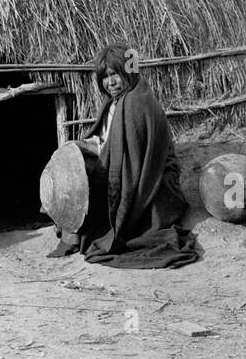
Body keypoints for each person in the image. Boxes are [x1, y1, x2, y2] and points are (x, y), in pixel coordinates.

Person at [48, 43, 199, 269]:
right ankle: (73, 234)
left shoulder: (137, 103)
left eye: (116, 75)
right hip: (131, 168)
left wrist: (96, 156)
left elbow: (134, 155)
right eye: (105, 77)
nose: (111, 82)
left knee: (86, 183)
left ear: (129, 72)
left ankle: (76, 235)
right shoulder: (116, 102)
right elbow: (112, 142)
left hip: (152, 182)